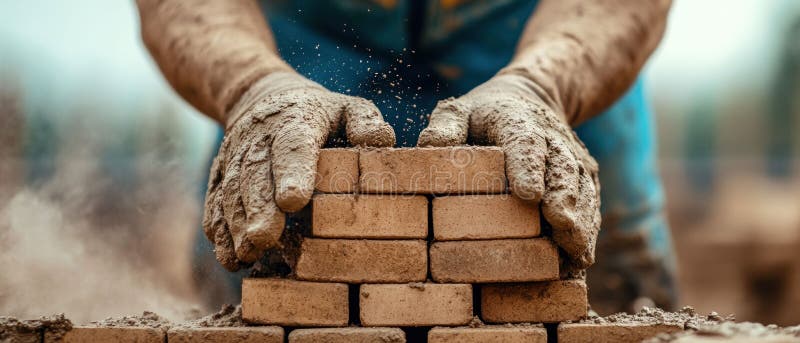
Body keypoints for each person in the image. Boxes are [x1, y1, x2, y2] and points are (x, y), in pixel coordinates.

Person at [136, 0, 676, 314]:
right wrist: (253, 86)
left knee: (606, 271)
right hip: (301, 36)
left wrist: (542, 85)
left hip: (543, 30)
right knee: (263, 245)